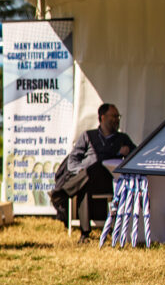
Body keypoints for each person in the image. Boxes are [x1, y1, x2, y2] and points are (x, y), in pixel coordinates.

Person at [52, 103, 136, 243]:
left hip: (108, 180)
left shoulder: (122, 139)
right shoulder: (88, 136)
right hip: (87, 179)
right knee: (86, 182)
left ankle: (63, 193)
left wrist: (126, 152)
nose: (117, 119)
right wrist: (79, 170)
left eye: (118, 116)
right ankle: (85, 234)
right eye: (114, 116)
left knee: (96, 165)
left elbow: (136, 155)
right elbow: (73, 159)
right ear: (102, 117)